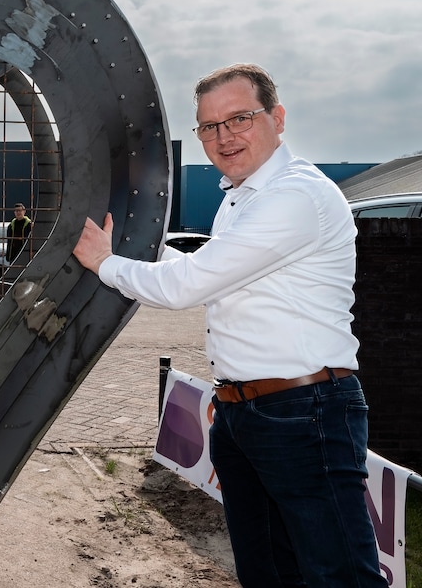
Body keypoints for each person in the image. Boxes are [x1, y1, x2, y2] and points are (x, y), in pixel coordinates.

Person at [73, 63, 386, 587]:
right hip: (249, 413)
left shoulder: (294, 197)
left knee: (338, 575)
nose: (224, 136)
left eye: (239, 118)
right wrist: (133, 250)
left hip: (303, 413)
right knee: (267, 574)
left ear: (277, 117)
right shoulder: (242, 198)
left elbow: (188, 285)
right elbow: (206, 269)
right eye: (209, 126)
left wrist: (107, 264)